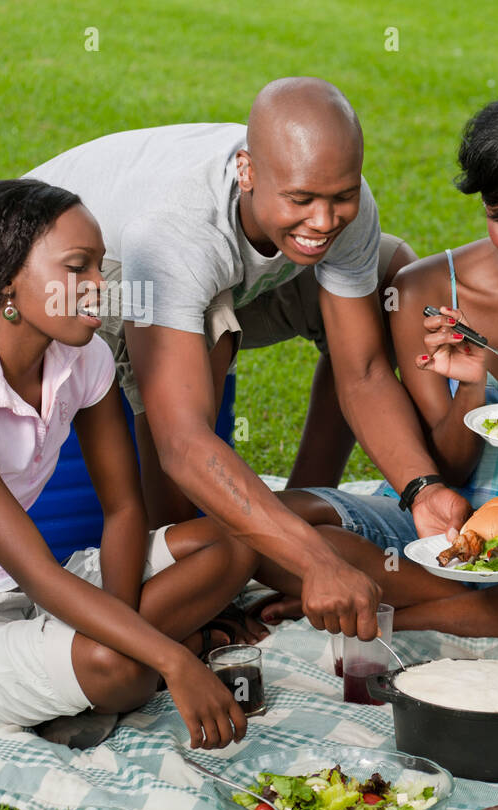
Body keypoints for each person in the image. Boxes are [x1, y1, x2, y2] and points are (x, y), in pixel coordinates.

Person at [23, 77, 470, 640]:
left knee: (389, 276)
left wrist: (421, 488)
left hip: (214, 270)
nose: (325, 221)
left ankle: (304, 501)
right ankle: (191, 570)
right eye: (302, 200)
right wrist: (316, 562)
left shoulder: (333, 206)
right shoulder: (180, 229)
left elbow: (363, 371)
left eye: (341, 196)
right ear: (248, 172)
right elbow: (181, 442)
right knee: (210, 330)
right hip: (62, 275)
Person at [255, 94, 498, 641]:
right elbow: (445, 467)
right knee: (276, 522)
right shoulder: (424, 290)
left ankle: (406, 616)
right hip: (438, 535)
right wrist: (471, 389)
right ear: (485, 204)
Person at [0, 180, 259, 750]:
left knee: (233, 542)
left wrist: (126, 628)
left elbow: (122, 508)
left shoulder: (81, 357)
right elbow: (38, 569)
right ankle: (135, 660)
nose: (98, 288)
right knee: (117, 664)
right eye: (77, 268)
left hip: (28, 592)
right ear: (10, 278)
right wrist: (170, 658)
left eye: (99, 265)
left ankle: (108, 663)